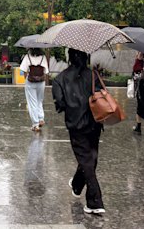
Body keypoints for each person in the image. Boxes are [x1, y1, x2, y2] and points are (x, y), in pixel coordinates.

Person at [52, 49, 106, 215]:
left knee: (87, 160)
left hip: (76, 125)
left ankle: (95, 201)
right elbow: (101, 96)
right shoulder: (93, 76)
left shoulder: (59, 79)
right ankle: (77, 184)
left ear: (69, 58)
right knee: (90, 158)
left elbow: (59, 104)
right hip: (94, 123)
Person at [20, 48, 49, 132]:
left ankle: (35, 124)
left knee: (32, 102)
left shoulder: (27, 57)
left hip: (30, 82)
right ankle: (41, 118)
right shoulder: (43, 57)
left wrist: (26, 79)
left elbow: (24, 70)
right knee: (39, 100)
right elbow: (46, 71)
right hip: (41, 82)